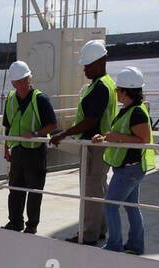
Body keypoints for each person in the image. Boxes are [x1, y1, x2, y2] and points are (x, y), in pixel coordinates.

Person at [51, 39, 116, 245]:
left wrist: (64, 134)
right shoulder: (104, 84)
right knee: (99, 188)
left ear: (101, 61)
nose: (85, 69)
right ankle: (100, 230)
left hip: (94, 146)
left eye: (87, 65)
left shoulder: (100, 88)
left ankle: (88, 235)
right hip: (99, 144)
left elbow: (90, 121)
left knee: (91, 192)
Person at [92, 67, 154, 256]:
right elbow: (123, 134)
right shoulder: (130, 110)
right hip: (129, 168)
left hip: (129, 170)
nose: (116, 92)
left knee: (110, 205)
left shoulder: (136, 113)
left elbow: (143, 140)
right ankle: (135, 245)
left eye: (118, 89)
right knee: (131, 207)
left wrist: (116, 136)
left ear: (126, 91)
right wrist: (105, 137)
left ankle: (115, 244)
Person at [2, 60, 57, 234]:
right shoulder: (10, 99)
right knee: (15, 189)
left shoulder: (39, 98)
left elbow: (52, 124)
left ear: (29, 78)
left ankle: (31, 225)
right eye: (19, 82)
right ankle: (15, 222)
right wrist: (6, 147)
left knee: (34, 190)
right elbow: (8, 126)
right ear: (13, 83)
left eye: (25, 80)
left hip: (35, 151)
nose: (23, 84)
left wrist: (35, 133)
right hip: (18, 150)